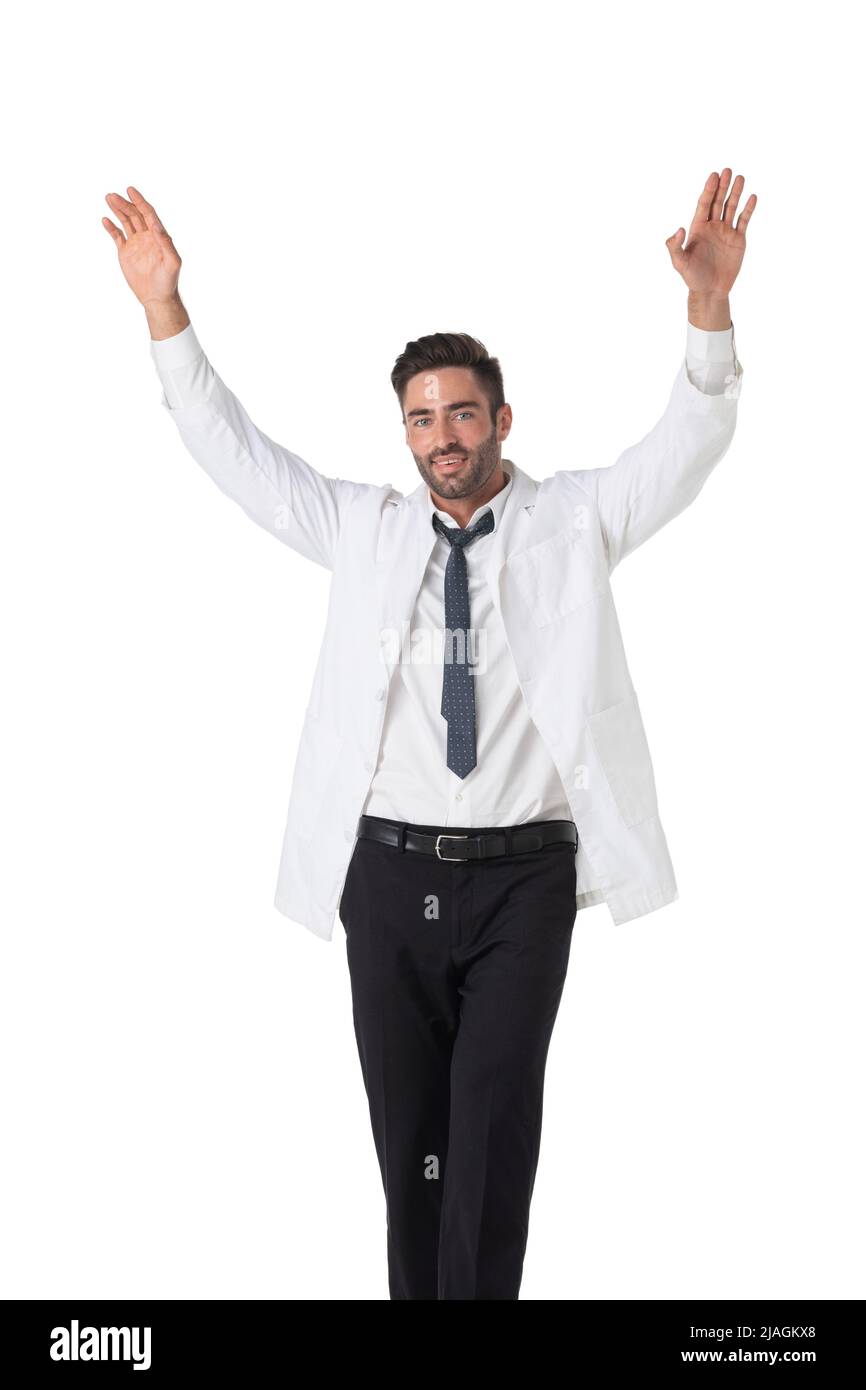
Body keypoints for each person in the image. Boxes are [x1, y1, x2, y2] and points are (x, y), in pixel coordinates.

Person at [103, 170, 756, 1300]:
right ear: (402, 430)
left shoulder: (575, 518)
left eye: (461, 412)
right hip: (388, 873)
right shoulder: (364, 528)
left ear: (501, 419)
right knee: (411, 1146)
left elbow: (689, 443)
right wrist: (165, 310)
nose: (441, 436)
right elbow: (234, 455)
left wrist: (707, 309)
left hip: (522, 881)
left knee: (491, 1130)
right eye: (420, 416)